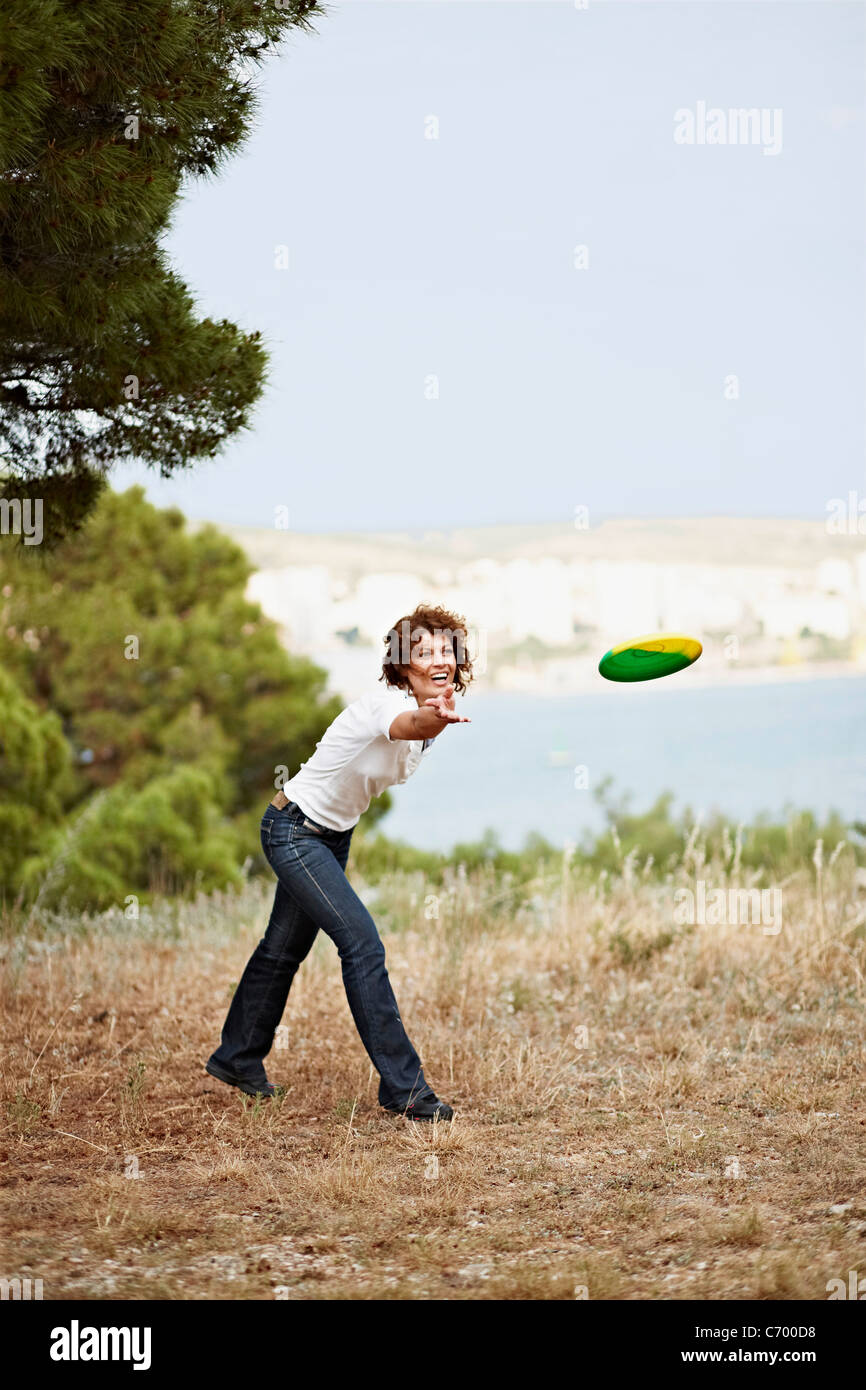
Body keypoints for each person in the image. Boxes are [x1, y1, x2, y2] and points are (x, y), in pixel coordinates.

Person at [206, 604, 473, 1122]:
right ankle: (406, 1091)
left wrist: (436, 715)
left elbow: (421, 726)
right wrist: (432, 717)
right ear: (401, 665)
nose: (438, 659)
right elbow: (408, 723)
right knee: (362, 945)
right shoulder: (385, 705)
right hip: (293, 830)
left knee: (283, 949)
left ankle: (237, 1057)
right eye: (422, 652)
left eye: (446, 650)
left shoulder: (434, 708)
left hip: (331, 837)